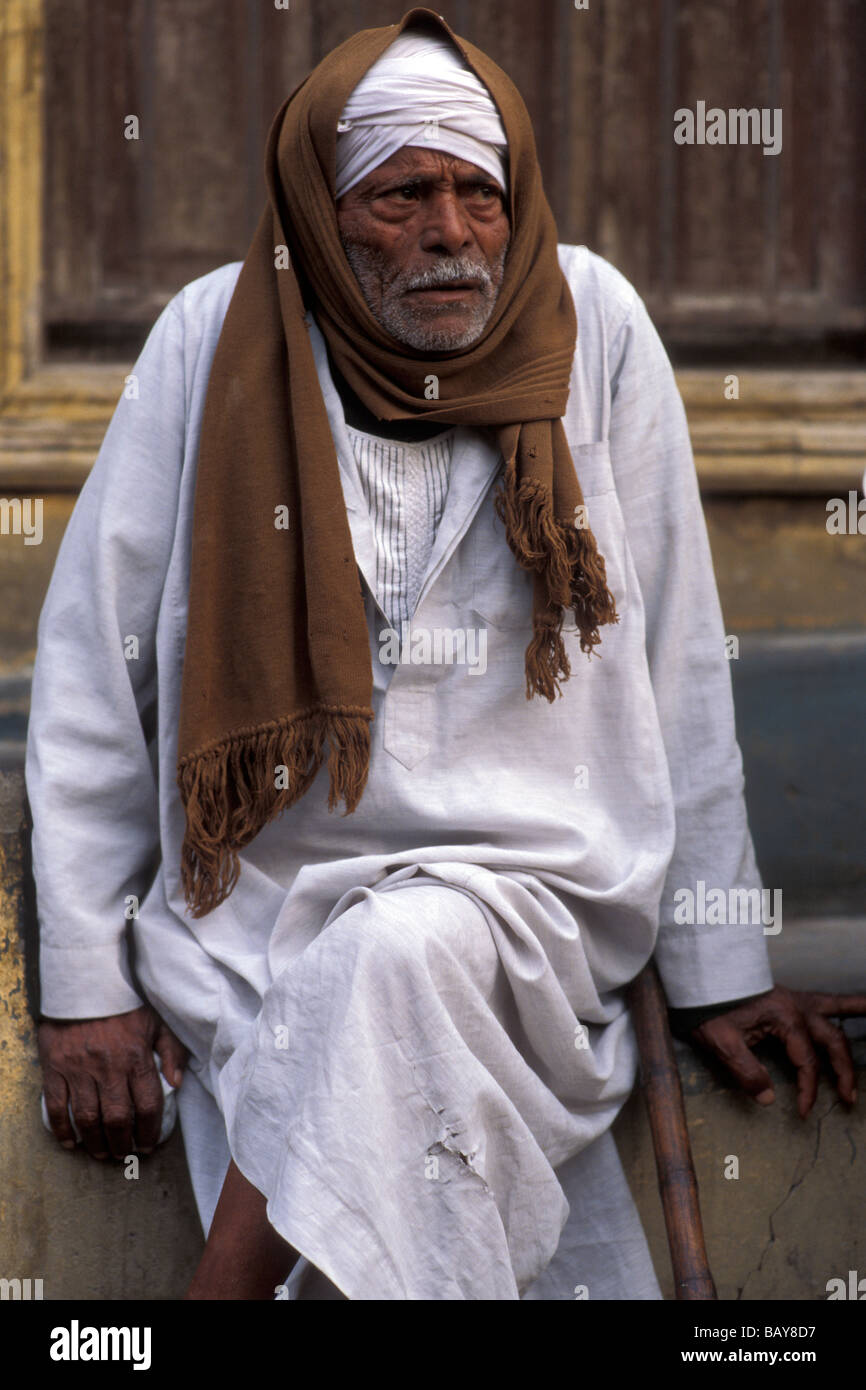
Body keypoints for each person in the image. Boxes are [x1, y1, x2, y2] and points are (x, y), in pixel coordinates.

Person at [28, 10, 865, 1301]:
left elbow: (676, 658)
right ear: (319, 207)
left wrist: (718, 967)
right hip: (257, 898)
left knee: (396, 947)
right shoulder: (217, 337)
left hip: (541, 881)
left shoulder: (594, 320)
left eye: (480, 194)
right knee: (363, 973)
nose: (451, 233)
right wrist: (85, 986)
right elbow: (97, 669)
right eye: (401, 195)